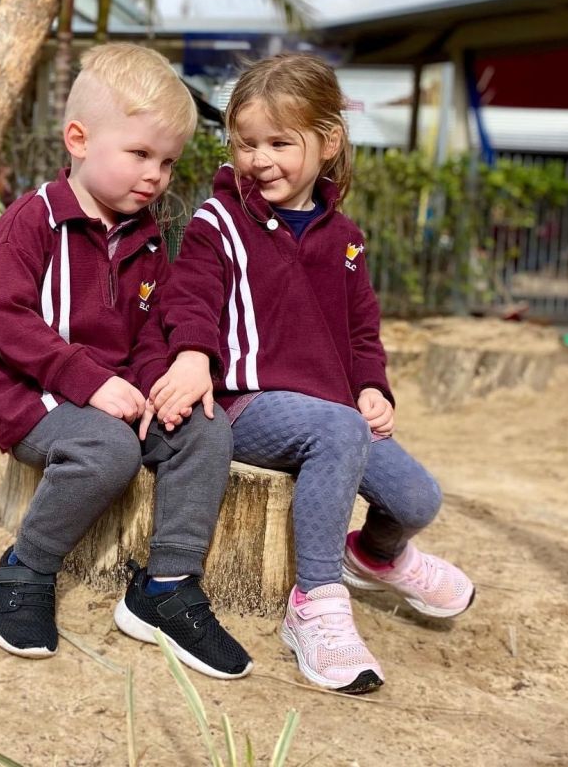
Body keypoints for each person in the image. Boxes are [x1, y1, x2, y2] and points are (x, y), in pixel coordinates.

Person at [143, 53, 473, 694]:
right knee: (337, 431)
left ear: (327, 142)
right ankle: (315, 605)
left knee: (416, 498)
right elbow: (190, 297)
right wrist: (192, 355)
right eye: (245, 143)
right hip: (248, 403)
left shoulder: (344, 238)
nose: (259, 159)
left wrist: (373, 385)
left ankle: (375, 555)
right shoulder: (221, 224)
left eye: (278, 143)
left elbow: (361, 329)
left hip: (334, 415)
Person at [0, 43, 252, 679]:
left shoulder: (147, 237)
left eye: (169, 162)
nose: (156, 175)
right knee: (108, 451)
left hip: (109, 393)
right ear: (79, 139)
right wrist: (89, 382)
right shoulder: (30, 223)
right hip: (31, 391)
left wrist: (161, 383)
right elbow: (6, 322)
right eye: (140, 154)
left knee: (207, 430)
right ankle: (27, 567)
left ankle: (166, 588)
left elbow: (148, 334)